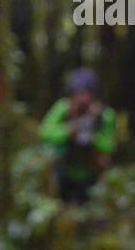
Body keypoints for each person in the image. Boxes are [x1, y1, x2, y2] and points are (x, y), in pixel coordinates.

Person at [40, 67, 117, 203]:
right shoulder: (63, 108)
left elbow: (110, 145)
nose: (83, 99)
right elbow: (45, 132)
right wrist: (68, 131)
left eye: (88, 93)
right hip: (64, 169)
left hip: (90, 171)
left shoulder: (104, 115)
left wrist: (94, 137)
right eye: (79, 93)